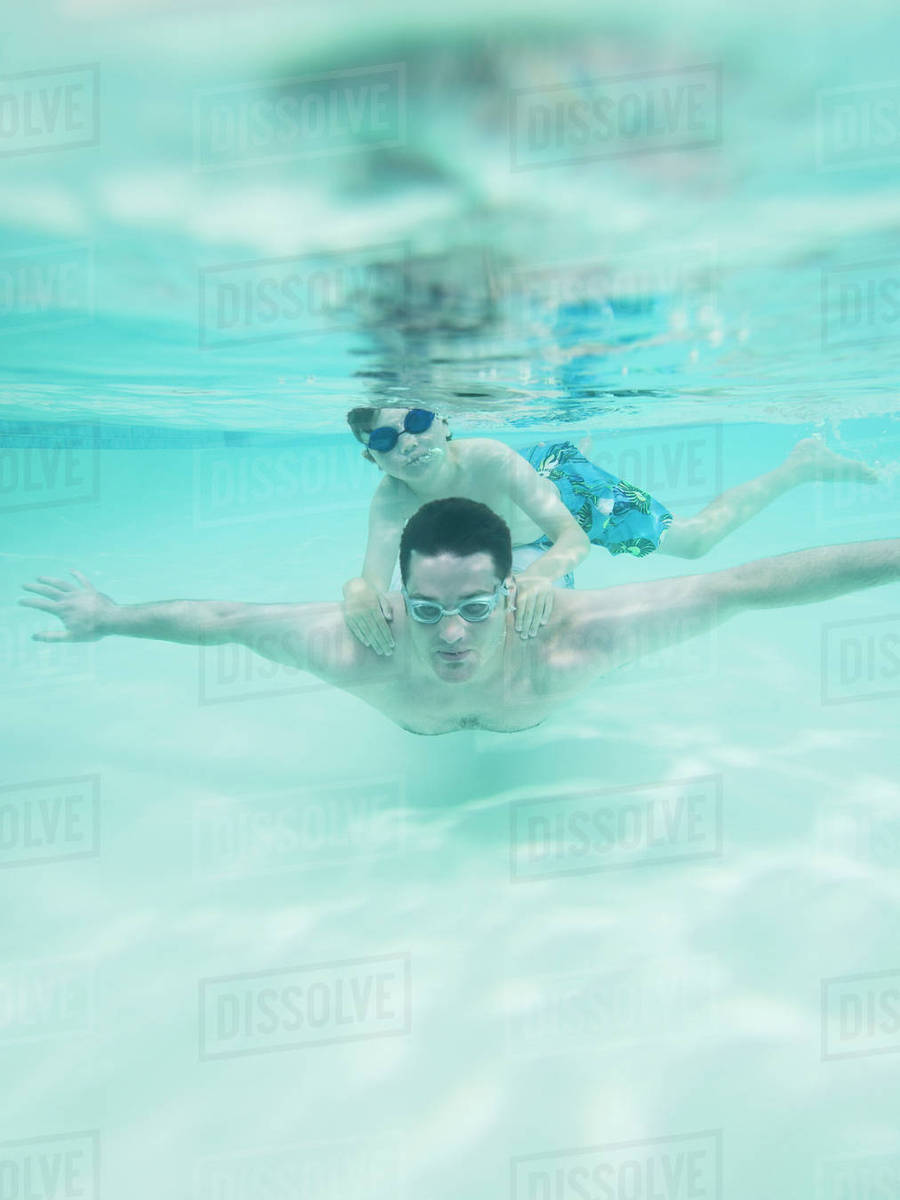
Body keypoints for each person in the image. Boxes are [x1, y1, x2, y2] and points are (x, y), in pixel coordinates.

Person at [20, 498, 899, 737]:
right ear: (396, 598)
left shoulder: (575, 640)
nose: (449, 633)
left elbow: (740, 585)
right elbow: (222, 618)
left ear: (510, 596)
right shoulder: (353, 646)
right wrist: (110, 617)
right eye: (427, 608)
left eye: (476, 608)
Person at [341, 406, 879, 655]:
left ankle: (800, 465)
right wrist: (356, 592)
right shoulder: (390, 499)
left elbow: (572, 539)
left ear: (443, 423)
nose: (408, 443)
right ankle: (569, 450)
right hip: (518, 504)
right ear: (373, 459)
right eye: (385, 441)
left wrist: (542, 575)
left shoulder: (489, 457)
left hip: (563, 496)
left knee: (694, 542)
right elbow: (371, 581)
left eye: (416, 423)